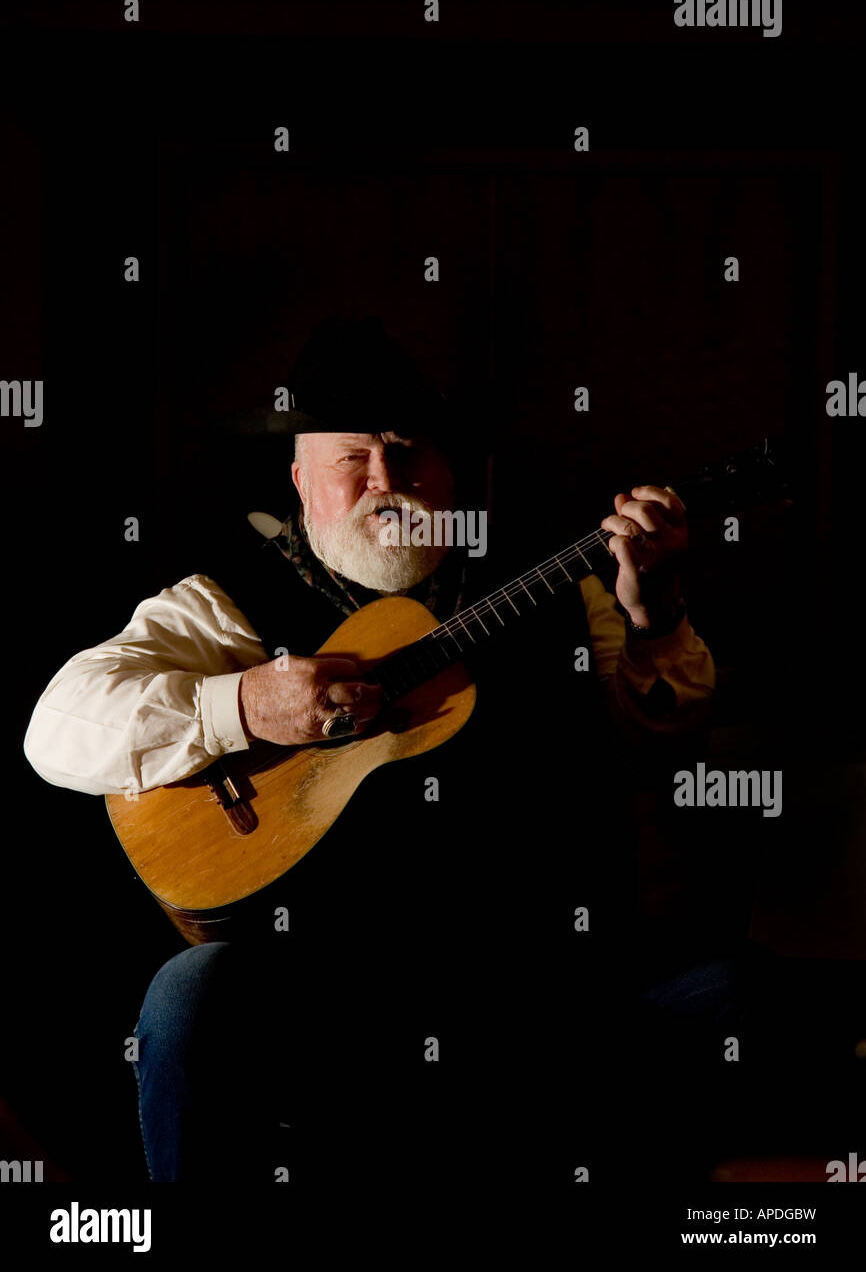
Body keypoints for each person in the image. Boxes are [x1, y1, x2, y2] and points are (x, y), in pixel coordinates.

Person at [24, 315, 715, 1189]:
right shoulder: (224, 611)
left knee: (742, 1003)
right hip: (331, 994)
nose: (387, 481)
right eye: (354, 459)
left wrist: (654, 612)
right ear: (302, 483)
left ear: (449, 468)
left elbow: (661, 737)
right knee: (187, 999)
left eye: (408, 450)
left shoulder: (566, 584)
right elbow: (56, 728)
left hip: (540, 977)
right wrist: (244, 703)